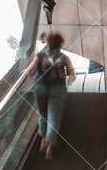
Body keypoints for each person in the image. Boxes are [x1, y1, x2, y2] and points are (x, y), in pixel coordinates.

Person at [25, 30, 74, 158]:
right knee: (54, 118)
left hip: (40, 87)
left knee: (42, 115)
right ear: (60, 44)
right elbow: (70, 72)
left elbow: (30, 72)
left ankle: (42, 140)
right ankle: (49, 146)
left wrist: (26, 72)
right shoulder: (64, 57)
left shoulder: (40, 55)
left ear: (47, 42)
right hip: (58, 89)